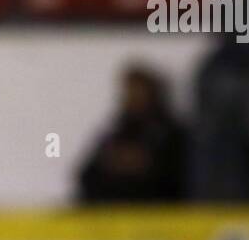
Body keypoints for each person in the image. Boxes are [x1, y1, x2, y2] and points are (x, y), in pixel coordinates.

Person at [78, 64, 189, 202]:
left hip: (158, 214)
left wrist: (147, 165)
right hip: (114, 215)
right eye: (130, 92)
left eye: (140, 92)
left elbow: (180, 181)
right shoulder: (114, 134)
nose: (134, 97)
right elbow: (85, 177)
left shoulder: (173, 136)